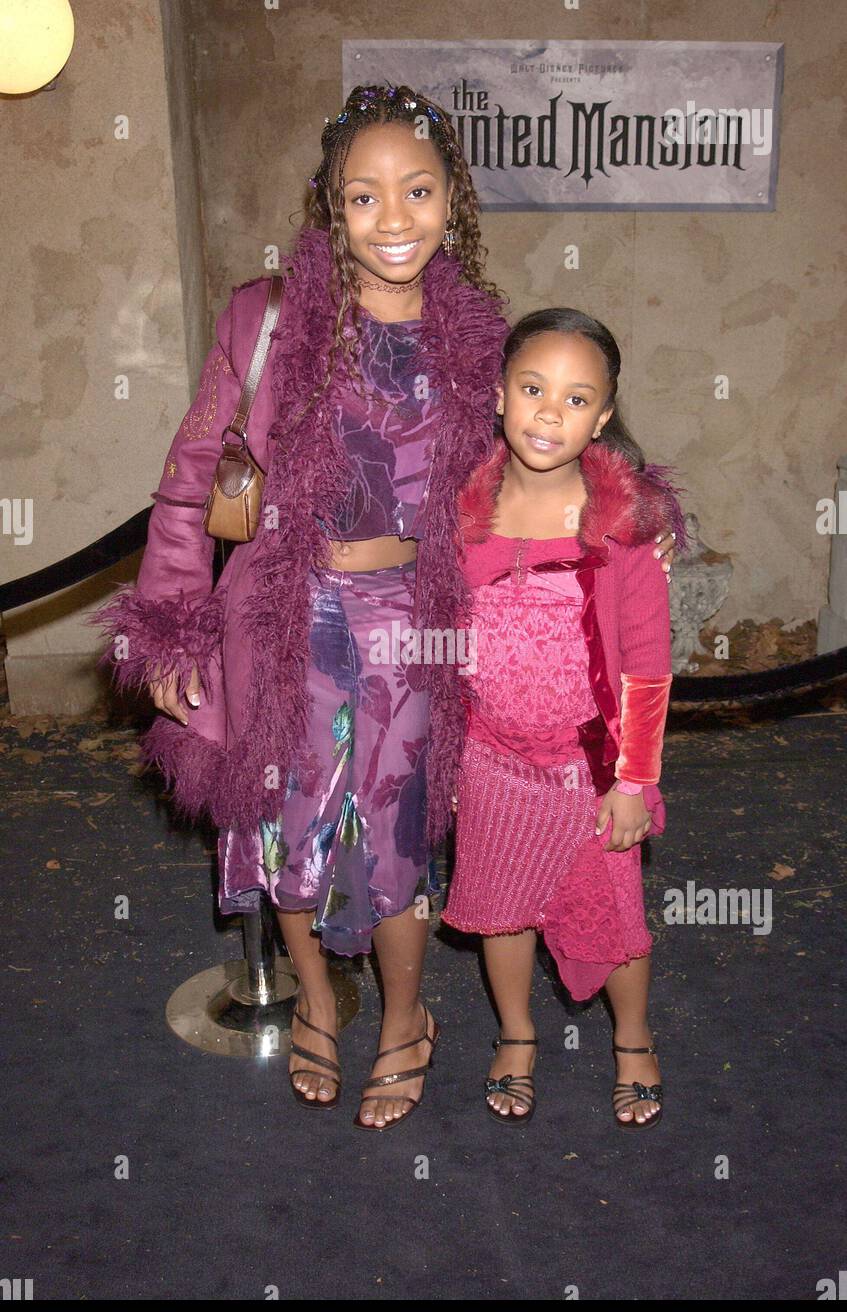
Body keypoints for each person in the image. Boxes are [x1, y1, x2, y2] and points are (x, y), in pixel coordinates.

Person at [90, 86, 679, 1133]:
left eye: (416, 190)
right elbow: (191, 480)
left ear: (451, 200)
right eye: (364, 196)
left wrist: (631, 512)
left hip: (421, 630)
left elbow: (546, 453)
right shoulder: (262, 319)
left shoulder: (481, 338)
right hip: (285, 621)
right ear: (330, 205)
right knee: (289, 827)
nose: (393, 218)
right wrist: (173, 619)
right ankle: (320, 1002)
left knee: (399, 837)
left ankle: (405, 1021)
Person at [440, 307, 685, 1129]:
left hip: (589, 769)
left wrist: (632, 781)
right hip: (489, 757)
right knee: (498, 906)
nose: (549, 412)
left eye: (576, 399)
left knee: (613, 919)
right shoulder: (458, 509)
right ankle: (515, 1035)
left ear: (605, 416)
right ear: (499, 393)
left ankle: (633, 1039)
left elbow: (647, 666)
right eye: (532, 388)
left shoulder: (622, 526)